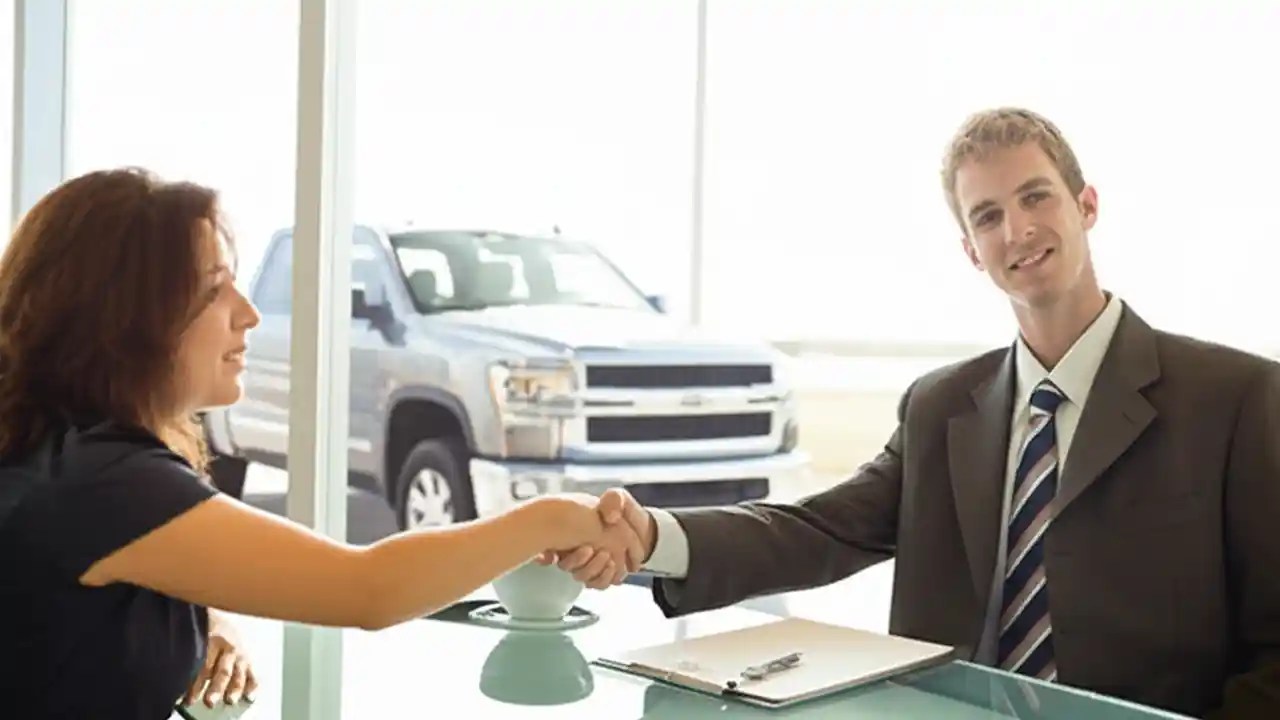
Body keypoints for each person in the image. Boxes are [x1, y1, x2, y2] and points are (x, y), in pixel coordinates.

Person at [549, 107, 1280, 718]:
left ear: (1086, 205)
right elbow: (819, 530)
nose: (1017, 231)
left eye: (1036, 197)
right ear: (971, 250)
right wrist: (651, 536)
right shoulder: (941, 408)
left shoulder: (1236, 399)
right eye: (988, 216)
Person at [0, 168, 644, 720]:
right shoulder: (103, 480)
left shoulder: (55, 452)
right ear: (126, 322)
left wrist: (204, 620)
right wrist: (552, 518)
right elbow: (367, 589)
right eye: (210, 290)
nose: (248, 312)